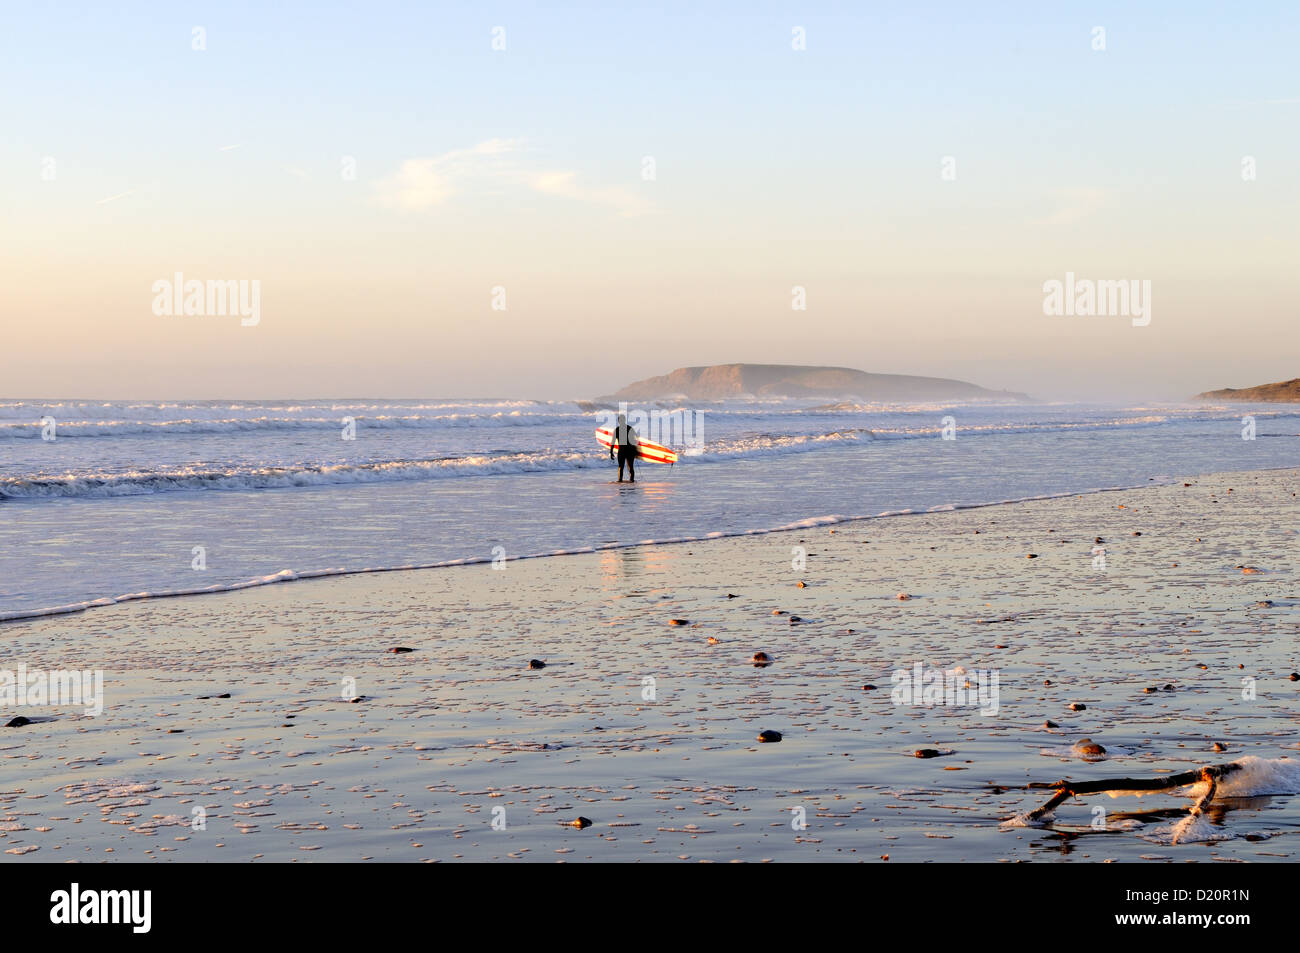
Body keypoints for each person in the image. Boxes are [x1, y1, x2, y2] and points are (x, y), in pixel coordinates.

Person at [609, 413, 639, 482]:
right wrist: (636, 450)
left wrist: (611, 452)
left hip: (622, 451)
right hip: (630, 450)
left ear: (619, 421)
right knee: (630, 467)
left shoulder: (617, 430)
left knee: (620, 467)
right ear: (624, 420)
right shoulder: (630, 428)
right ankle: (631, 480)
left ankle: (620, 480)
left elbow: (613, 442)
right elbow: (636, 439)